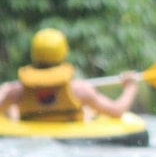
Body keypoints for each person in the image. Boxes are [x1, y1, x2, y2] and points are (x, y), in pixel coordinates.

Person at [0, 28, 139, 121]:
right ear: (64, 53)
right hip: (72, 135)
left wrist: (4, 90)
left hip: (31, 132)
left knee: (9, 101)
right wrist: (130, 87)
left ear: (34, 54)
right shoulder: (80, 90)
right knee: (88, 110)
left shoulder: (17, 92)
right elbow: (117, 111)